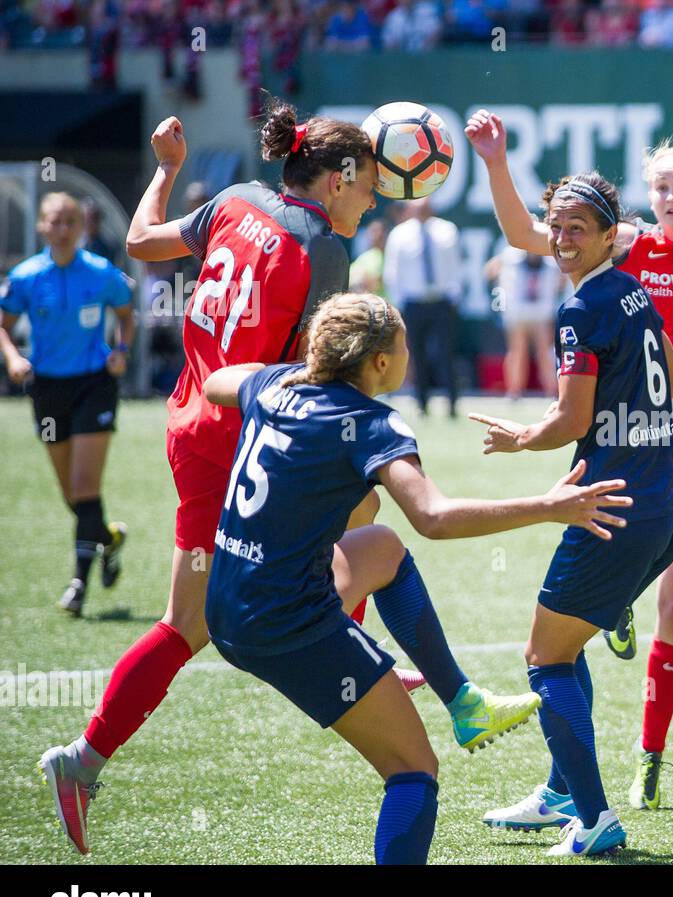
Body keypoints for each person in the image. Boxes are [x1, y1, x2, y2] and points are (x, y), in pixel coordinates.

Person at [38, 101, 529, 857]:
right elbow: (326, 366)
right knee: (198, 617)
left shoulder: (235, 200)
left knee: (335, 531)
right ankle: (86, 755)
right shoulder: (322, 246)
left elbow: (140, 241)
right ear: (336, 180)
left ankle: (96, 754)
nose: (373, 201)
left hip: (195, 421)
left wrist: (167, 172)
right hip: (248, 441)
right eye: (369, 185)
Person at [200, 292, 632, 864]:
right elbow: (434, 517)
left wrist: (279, 372)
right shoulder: (371, 423)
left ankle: (462, 701)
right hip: (282, 622)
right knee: (414, 771)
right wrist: (548, 505)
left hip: (226, 602)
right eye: (402, 345)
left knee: (380, 546)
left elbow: (216, 383)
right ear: (380, 362)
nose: (409, 355)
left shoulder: (276, 384)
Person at [467, 91, 673, 815]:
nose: (672, 195)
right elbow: (530, 233)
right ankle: (570, 781)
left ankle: (648, 754)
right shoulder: (628, 243)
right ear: (649, 198)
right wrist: (496, 163)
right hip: (631, 433)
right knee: (572, 615)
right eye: (661, 186)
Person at [468, 172, 673, 856]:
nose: (563, 240)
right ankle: (565, 790)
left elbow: (571, 418)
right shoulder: (634, 291)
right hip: (662, 504)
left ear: (605, 235)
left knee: (543, 658)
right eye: (555, 227)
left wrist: (520, 437)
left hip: (613, 506)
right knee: (569, 643)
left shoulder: (581, 309)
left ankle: (594, 819)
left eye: (577, 229)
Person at [0, 192, 134, 616]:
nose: (61, 229)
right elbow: (4, 326)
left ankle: (79, 583)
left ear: (81, 228)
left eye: (70, 222)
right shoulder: (25, 276)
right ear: (41, 227)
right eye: (54, 222)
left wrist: (121, 350)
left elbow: (127, 315)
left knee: (84, 487)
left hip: (94, 385)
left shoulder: (100, 272)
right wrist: (14, 358)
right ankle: (108, 540)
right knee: (71, 494)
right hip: (47, 389)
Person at [383, 196, 462, 416]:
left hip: (440, 300)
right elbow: (393, 271)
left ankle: (452, 403)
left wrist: (454, 295)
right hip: (413, 302)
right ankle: (422, 403)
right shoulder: (400, 234)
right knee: (415, 354)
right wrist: (399, 302)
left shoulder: (447, 230)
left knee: (445, 353)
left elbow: (455, 265)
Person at [487, 246, 564, 399]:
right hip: (517, 314)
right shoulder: (510, 256)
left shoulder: (551, 260)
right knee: (517, 352)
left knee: (545, 353)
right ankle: (514, 391)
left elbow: (563, 281)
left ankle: (552, 391)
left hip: (541, 314)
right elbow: (490, 271)